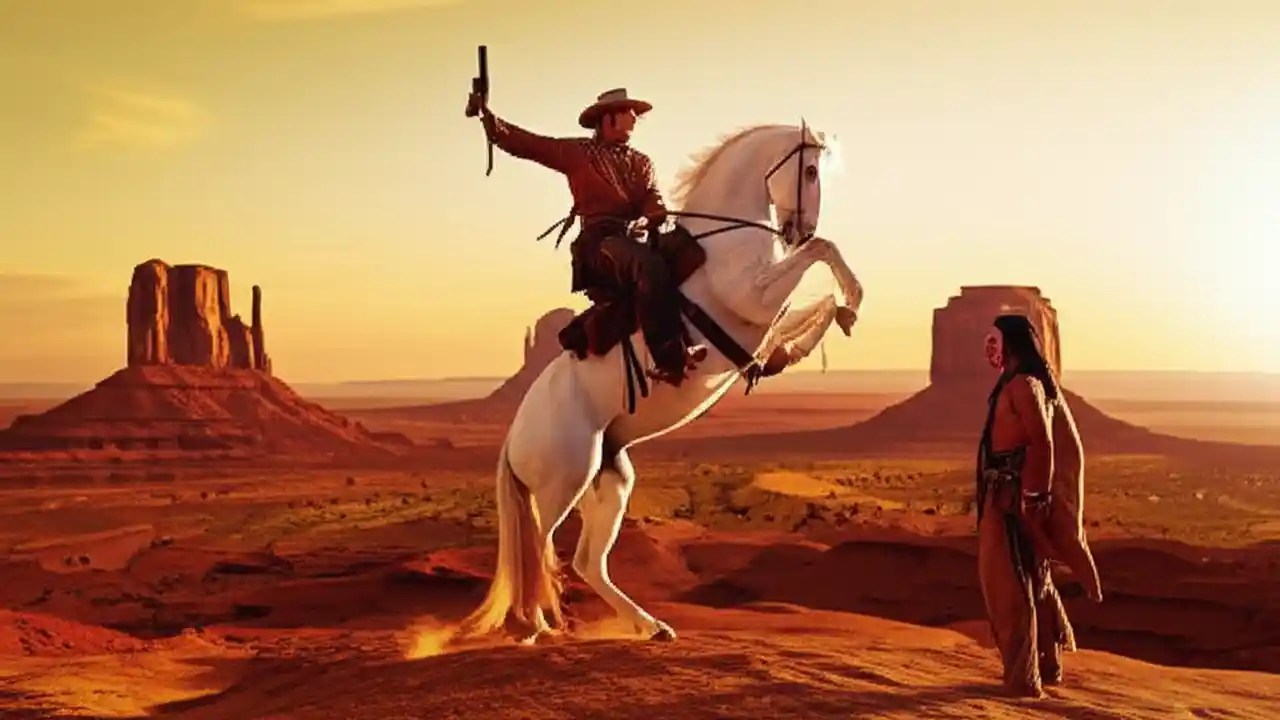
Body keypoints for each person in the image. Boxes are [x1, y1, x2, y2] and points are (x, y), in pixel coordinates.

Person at [465, 86, 707, 386]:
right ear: (608, 118)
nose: (634, 118)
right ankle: (669, 358)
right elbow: (529, 144)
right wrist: (488, 119)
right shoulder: (577, 153)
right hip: (599, 245)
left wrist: (649, 217)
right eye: (628, 112)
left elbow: (652, 197)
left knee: (688, 250)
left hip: (635, 238)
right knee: (648, 265)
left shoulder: (643, 162)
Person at [975, 314, 1103, 698]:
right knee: (1032, 580)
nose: (989, 350)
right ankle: (1046, 667)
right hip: (1011, 496)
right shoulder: (1016, 384)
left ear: (1012, 344)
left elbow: (1042, 442)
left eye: (994, 342)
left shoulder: (1022, 386)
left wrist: (1034, 499)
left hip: (1014, 500)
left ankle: (1024, 680)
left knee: (1010, 585)